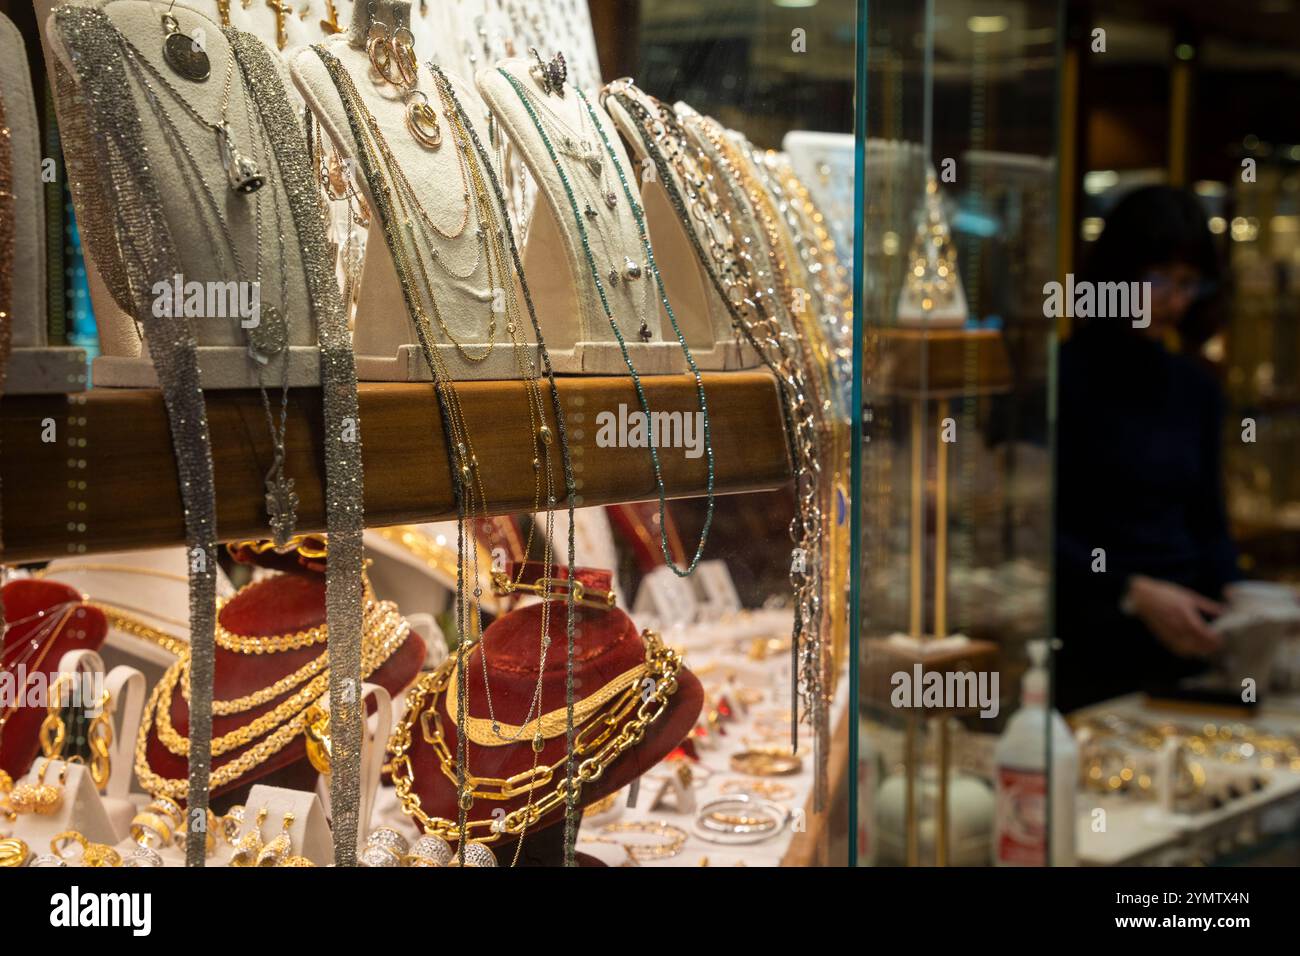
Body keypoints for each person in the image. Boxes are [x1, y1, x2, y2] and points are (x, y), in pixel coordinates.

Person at [1054, 185, 1241, 712]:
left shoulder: (1196, 388)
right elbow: (1033, 533)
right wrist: (1129, 590)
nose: (1174, 300)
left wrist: (1245, 597)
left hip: (1189, 653)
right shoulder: (1058, 380)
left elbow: (1209, 526)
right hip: (1088, 650)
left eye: (1188, 284)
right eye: (1159, 278)